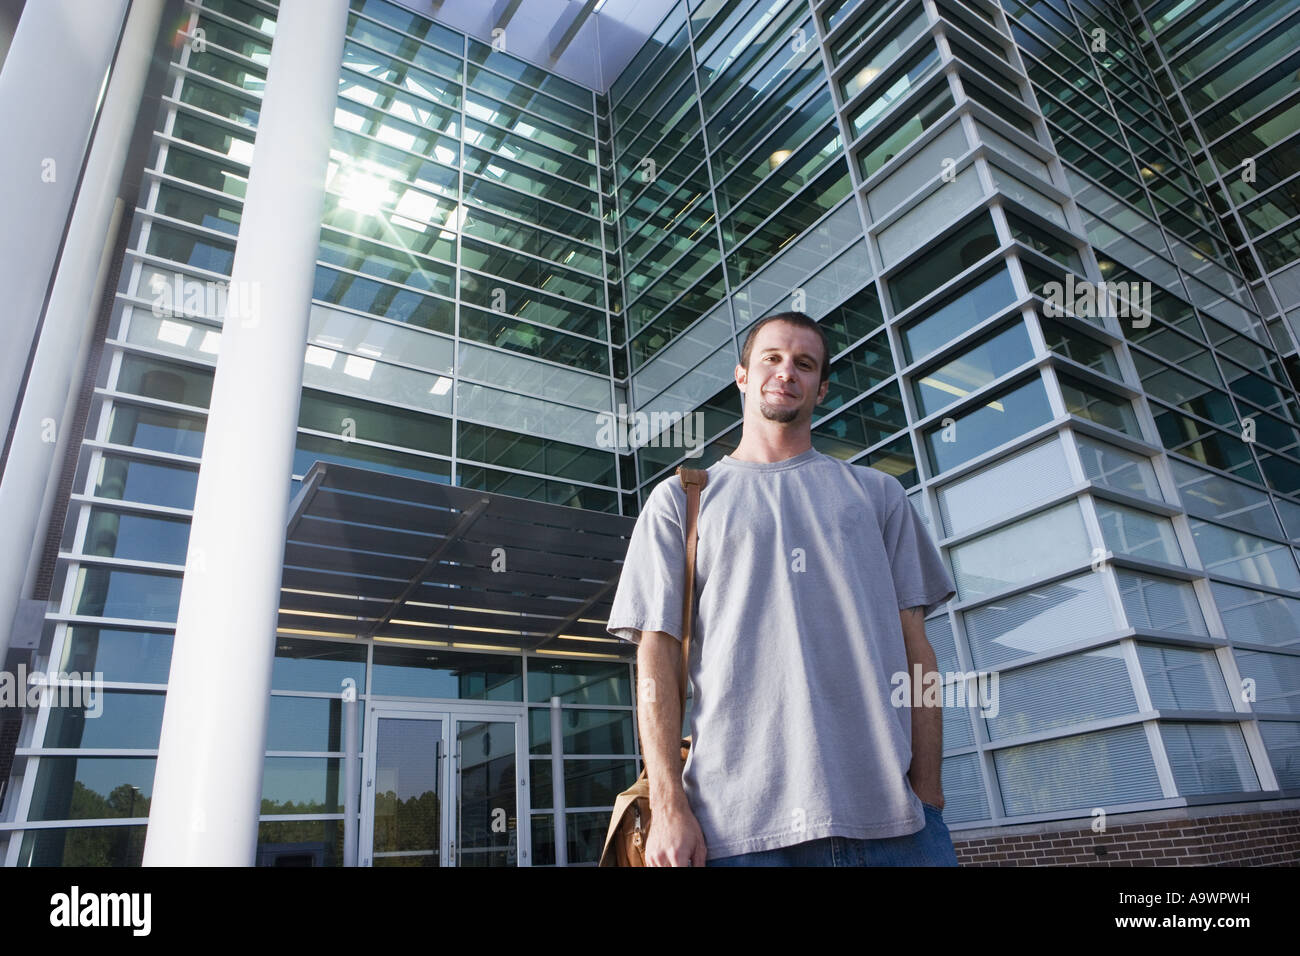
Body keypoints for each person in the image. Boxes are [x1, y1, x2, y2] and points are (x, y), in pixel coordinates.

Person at [606, 311, 959, 867]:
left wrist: (929, 790)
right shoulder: (681, 501)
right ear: (743, 375)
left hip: (894, 826)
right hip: (737, 833)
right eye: (771, 358)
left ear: (820, 388)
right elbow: (655, 658)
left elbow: (917, 652)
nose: (786, 372)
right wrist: (670, 805)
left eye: (804, 363)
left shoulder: (878, 496)